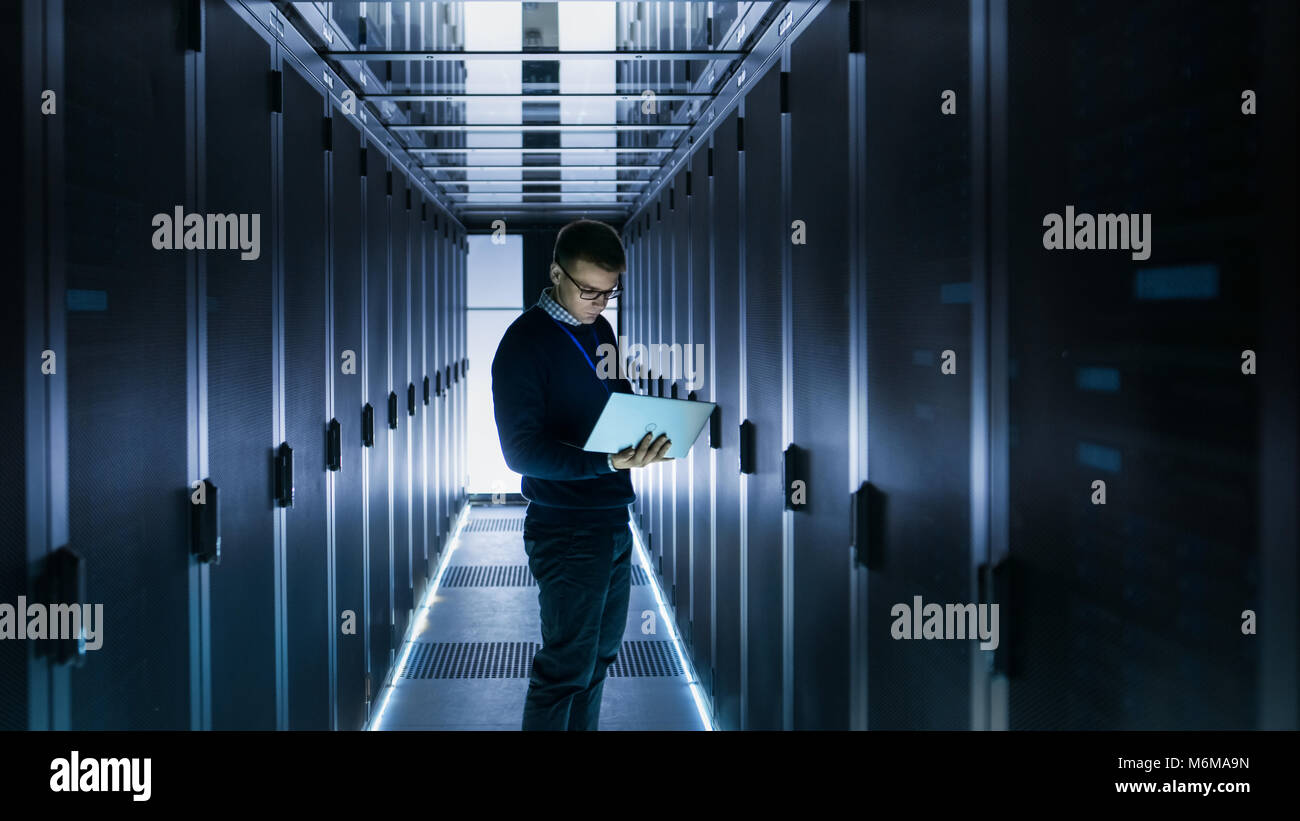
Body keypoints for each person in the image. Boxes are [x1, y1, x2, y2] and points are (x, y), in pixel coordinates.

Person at [491, 218, 672, 731]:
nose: (599, 303)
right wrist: (606, 462)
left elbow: (616, 399)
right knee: (565, 669)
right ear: (556, 273)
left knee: (597, 665)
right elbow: (520, 452)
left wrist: (656, 426)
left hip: (613, 520)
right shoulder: (524, 345)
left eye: (609, 292)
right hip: (566, 528)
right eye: (589, 290)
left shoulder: (600, 330)